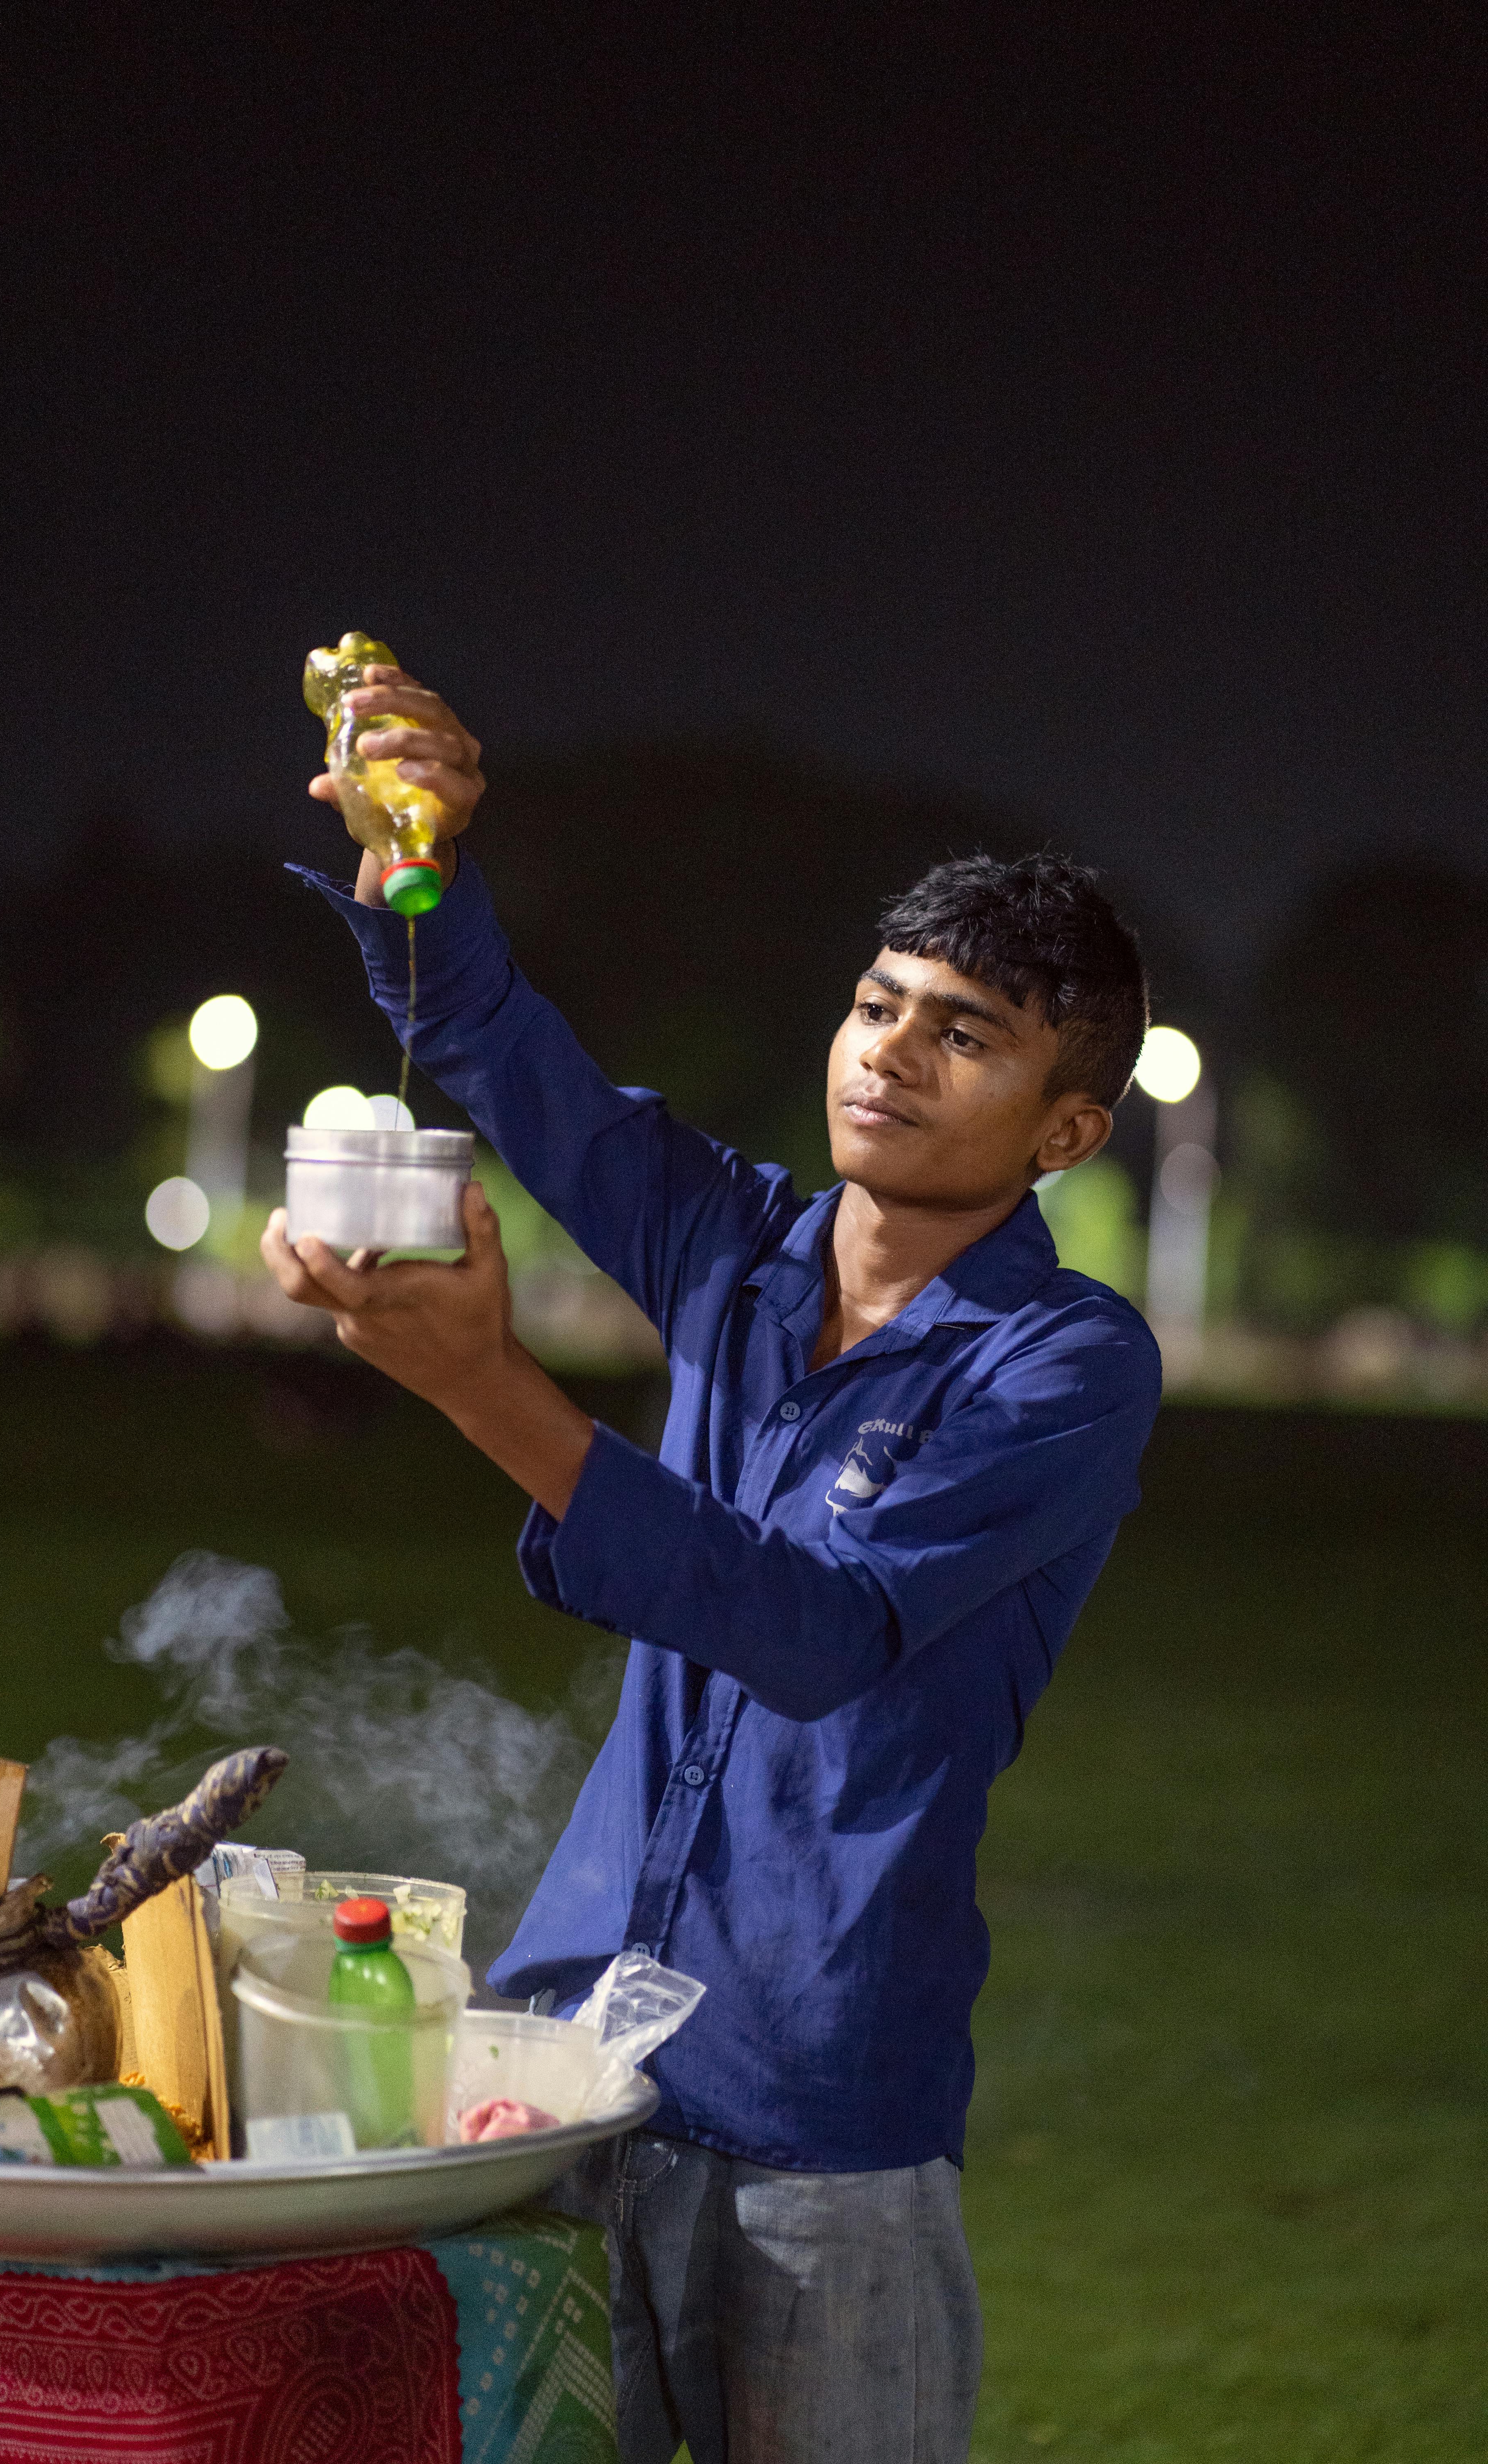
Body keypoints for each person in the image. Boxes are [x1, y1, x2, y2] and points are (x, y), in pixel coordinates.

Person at [263, 664, 1161, 2464]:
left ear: (1066, 1129)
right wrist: (414, 861)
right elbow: (509, 1049)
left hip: (823, 2110)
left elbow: (815, 1631)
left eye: (964, 1034)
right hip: (570, 2066)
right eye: (874, 1003)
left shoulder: (1062, 1365)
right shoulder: (737, 1250)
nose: (889, 1053)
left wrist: (479, 1388)